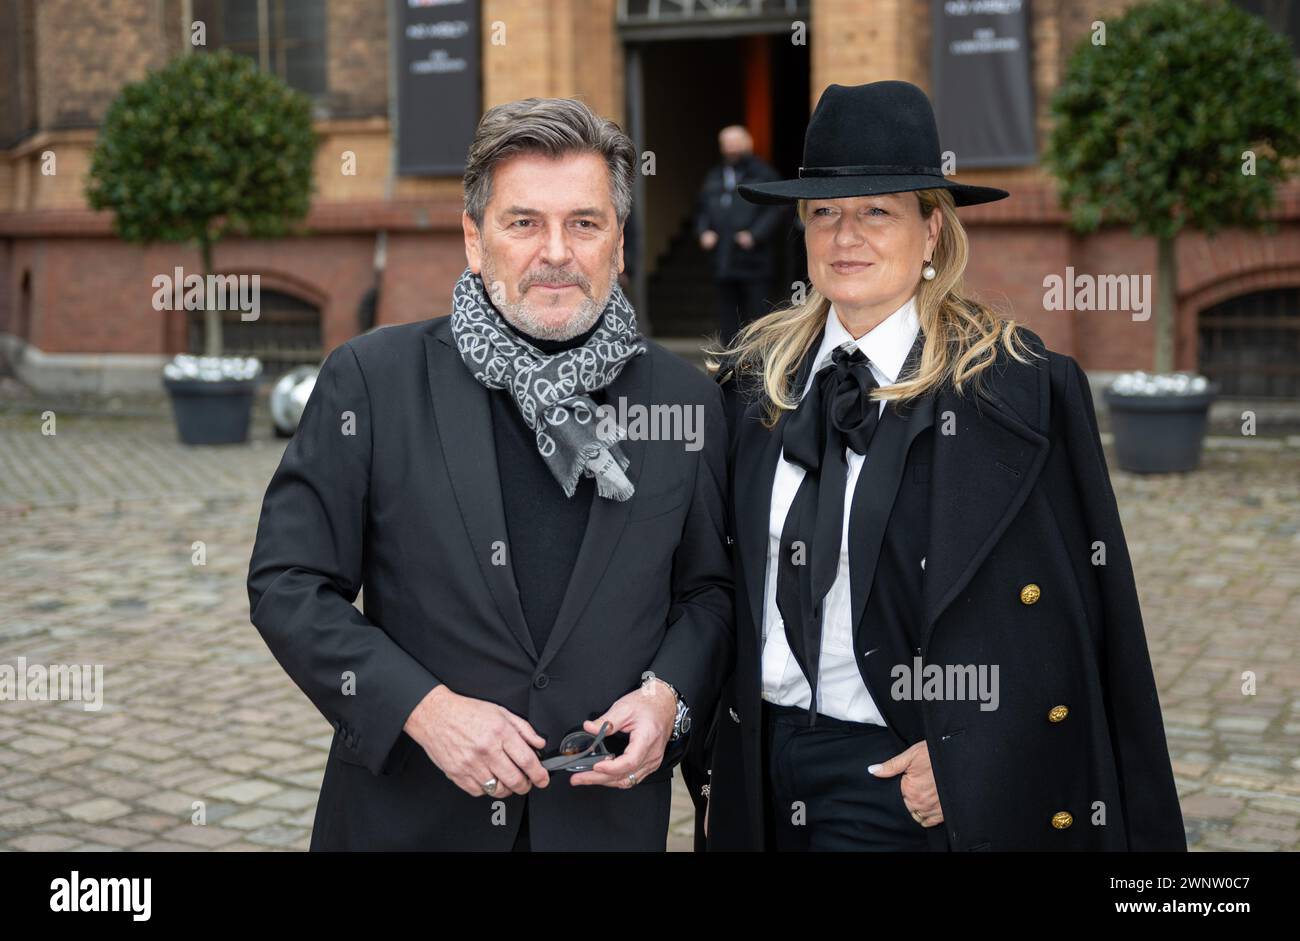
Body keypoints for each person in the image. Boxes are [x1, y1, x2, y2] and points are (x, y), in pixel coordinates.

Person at [703, 80, 1186, 851]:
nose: (844, 236)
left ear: (933, 231)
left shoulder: (1020, 388)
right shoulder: (752, 380)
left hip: (903, 782)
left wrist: (967, 750)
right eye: (824, 212)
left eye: (877, 211)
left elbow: (1069, 621)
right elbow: (714, 582)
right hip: (761, 772)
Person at [247, 96, 733, 851]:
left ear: (619, 244)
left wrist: (668, 697)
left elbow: (709, 591)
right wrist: (423, 708)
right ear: (475, 240)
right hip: (408, 818)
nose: (557, 252)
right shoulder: (373, 380)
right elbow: (288, 582)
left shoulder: (686, 399)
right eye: (523, 222)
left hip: (601, 823)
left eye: (584, 222)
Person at [695, 126, 785, 343]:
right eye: (727, 144)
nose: (731, 149)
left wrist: (755, 234)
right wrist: (703, 231)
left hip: (754, 260)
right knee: (727, 317)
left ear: (748, 144)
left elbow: (777, 207)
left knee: (757, 316)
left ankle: (758, 363)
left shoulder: (763, 173)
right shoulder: (715, 175)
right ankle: (730, 365)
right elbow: (702, 208)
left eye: (736, 144)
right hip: (723, 260)